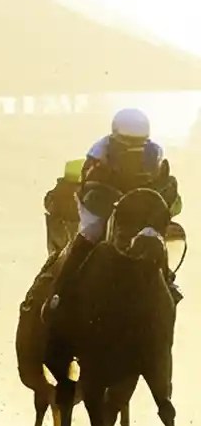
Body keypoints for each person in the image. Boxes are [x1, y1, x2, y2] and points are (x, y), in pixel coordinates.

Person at [46, 108, 182, 318]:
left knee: (156, 238)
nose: (134, 148)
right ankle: (60, 292)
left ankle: (167, 282)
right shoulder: (99, 152)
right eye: (128, 142)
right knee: (91, 233)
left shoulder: (155, 153)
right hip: (103, 206)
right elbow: (89, 185)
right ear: (115, 137)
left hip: (136, 209)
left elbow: (164, 183)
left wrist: (161, 203)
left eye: (139, 142)